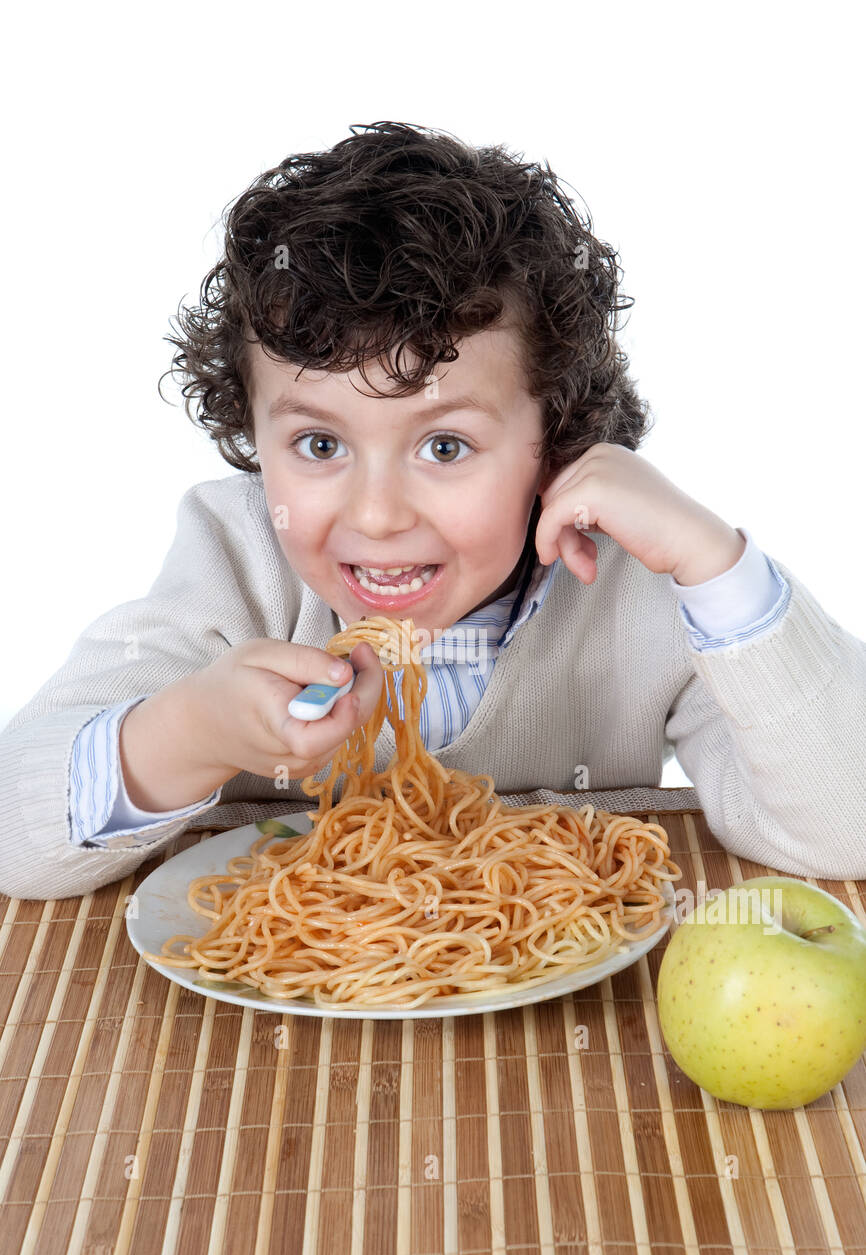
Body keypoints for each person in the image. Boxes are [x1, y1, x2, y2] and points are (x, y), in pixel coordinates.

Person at [1, 120, 864, 902]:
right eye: (319, 446)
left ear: (556, 437)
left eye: (444, 448)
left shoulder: (637, 589)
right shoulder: (234, 564)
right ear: (252, 435)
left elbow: (843, 827)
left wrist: (721, 569)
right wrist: (189, 732)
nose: (376, 516)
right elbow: (15, 831)